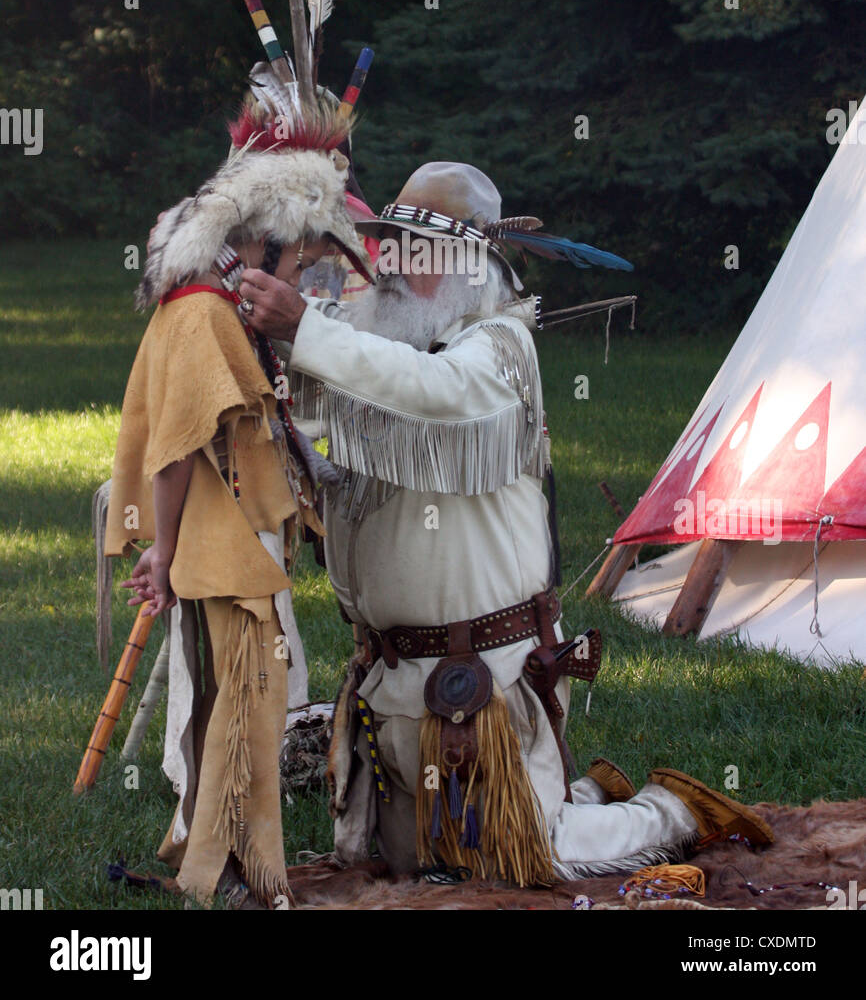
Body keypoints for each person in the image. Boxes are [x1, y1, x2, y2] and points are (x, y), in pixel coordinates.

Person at [238, 161, 773, 886]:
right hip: (396, 683)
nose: (390, 266)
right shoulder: (383, 353)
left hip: (478, 681)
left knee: (521, 860)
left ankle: (669, 811)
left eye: (415, 251)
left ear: (469, 268)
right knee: (400, 866)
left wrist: (306, 327)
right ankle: (582, 796)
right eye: (389, 244)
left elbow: (436, 392)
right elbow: (319, 411)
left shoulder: (499, 349)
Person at [104, 94, 372, 907]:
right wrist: (164, 548)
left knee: (246, 710)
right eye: (301, 259)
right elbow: (176, 446)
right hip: (224, 553)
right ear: (265, 237)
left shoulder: (215, 308)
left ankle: (228, 868)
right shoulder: (202, 317)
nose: (304, 276)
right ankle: (234, 875)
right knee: (246, 713)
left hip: (232, 548)